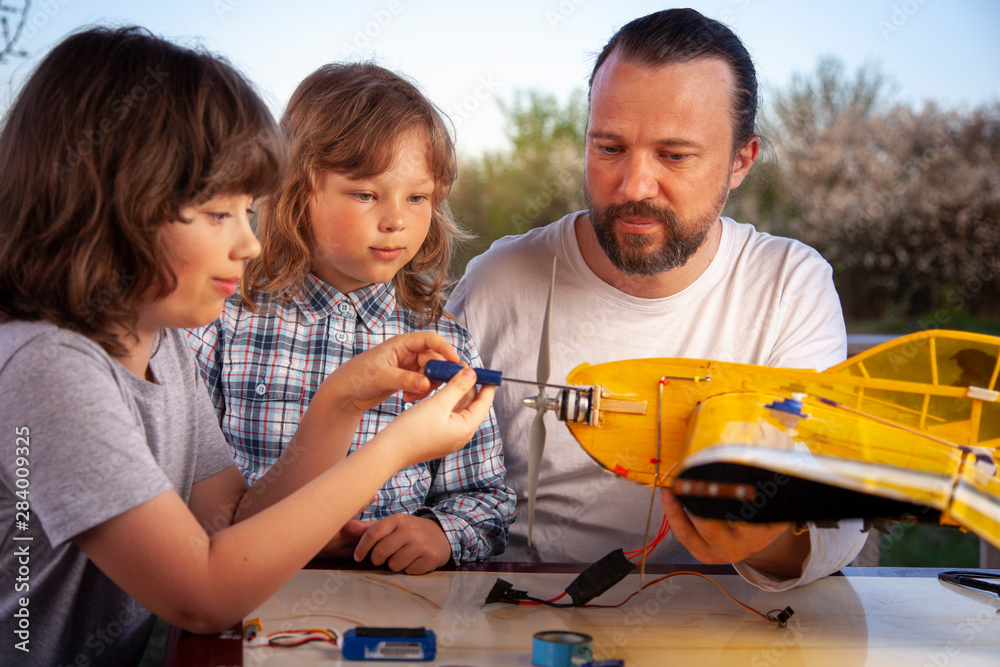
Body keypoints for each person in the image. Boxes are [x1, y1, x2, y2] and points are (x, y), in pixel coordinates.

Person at [0, 27, 493, 667]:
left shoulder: (164, 350)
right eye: (217, 214)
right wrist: (395, 447)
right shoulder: (45, 368)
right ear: (115, 207)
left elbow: (233, 522)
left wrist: (341, 401)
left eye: (246, 209)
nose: (251, 243)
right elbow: (203, 595)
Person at [448, 8, 868, 589]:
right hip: (515, 610)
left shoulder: (788, 285)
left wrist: (761, 536)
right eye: (610, 147)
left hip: (718, 615)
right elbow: (428, 477)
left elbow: (837, 520)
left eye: (674, 156)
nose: (634, 186)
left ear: (740, 161)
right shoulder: (497, 281)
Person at [187, 63, 514, 574]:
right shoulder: (223, 322)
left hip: (391, 599)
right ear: (298, 191)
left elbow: (485, 498)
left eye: (417, 197)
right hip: (245, 589)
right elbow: (188, 499)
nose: (396, 220)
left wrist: (439, 534)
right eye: (365, 194)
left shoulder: (445, 343)